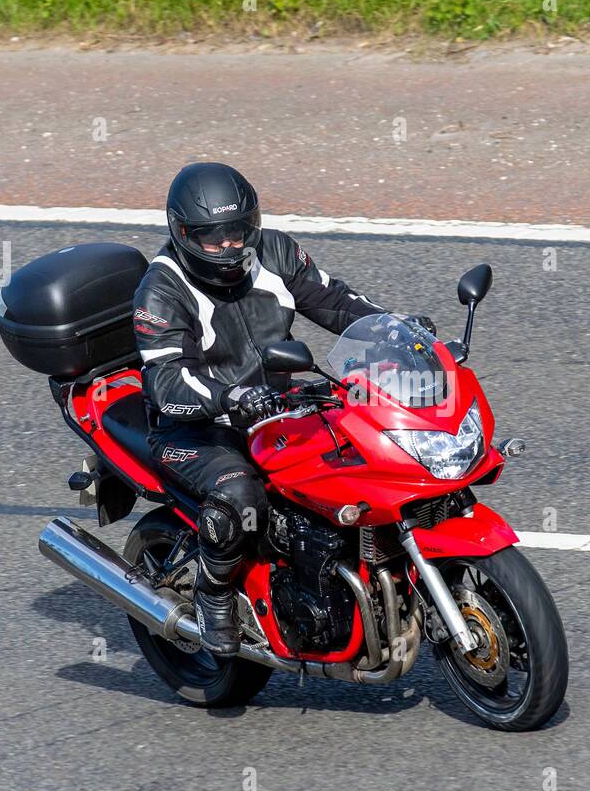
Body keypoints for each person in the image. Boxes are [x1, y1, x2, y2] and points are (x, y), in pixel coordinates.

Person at [132, 162, 434, 657]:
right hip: (197, 427)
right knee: (241, 495)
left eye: (238, 232)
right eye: (214, 238)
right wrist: (228, 397)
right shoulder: (161, 290)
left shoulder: (273, 249)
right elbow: (166, 382)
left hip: (277, 409)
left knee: (369, 453)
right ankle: (215, 594)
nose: (231, 246)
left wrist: (396, 329)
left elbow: (334, 300)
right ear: (183, 233)